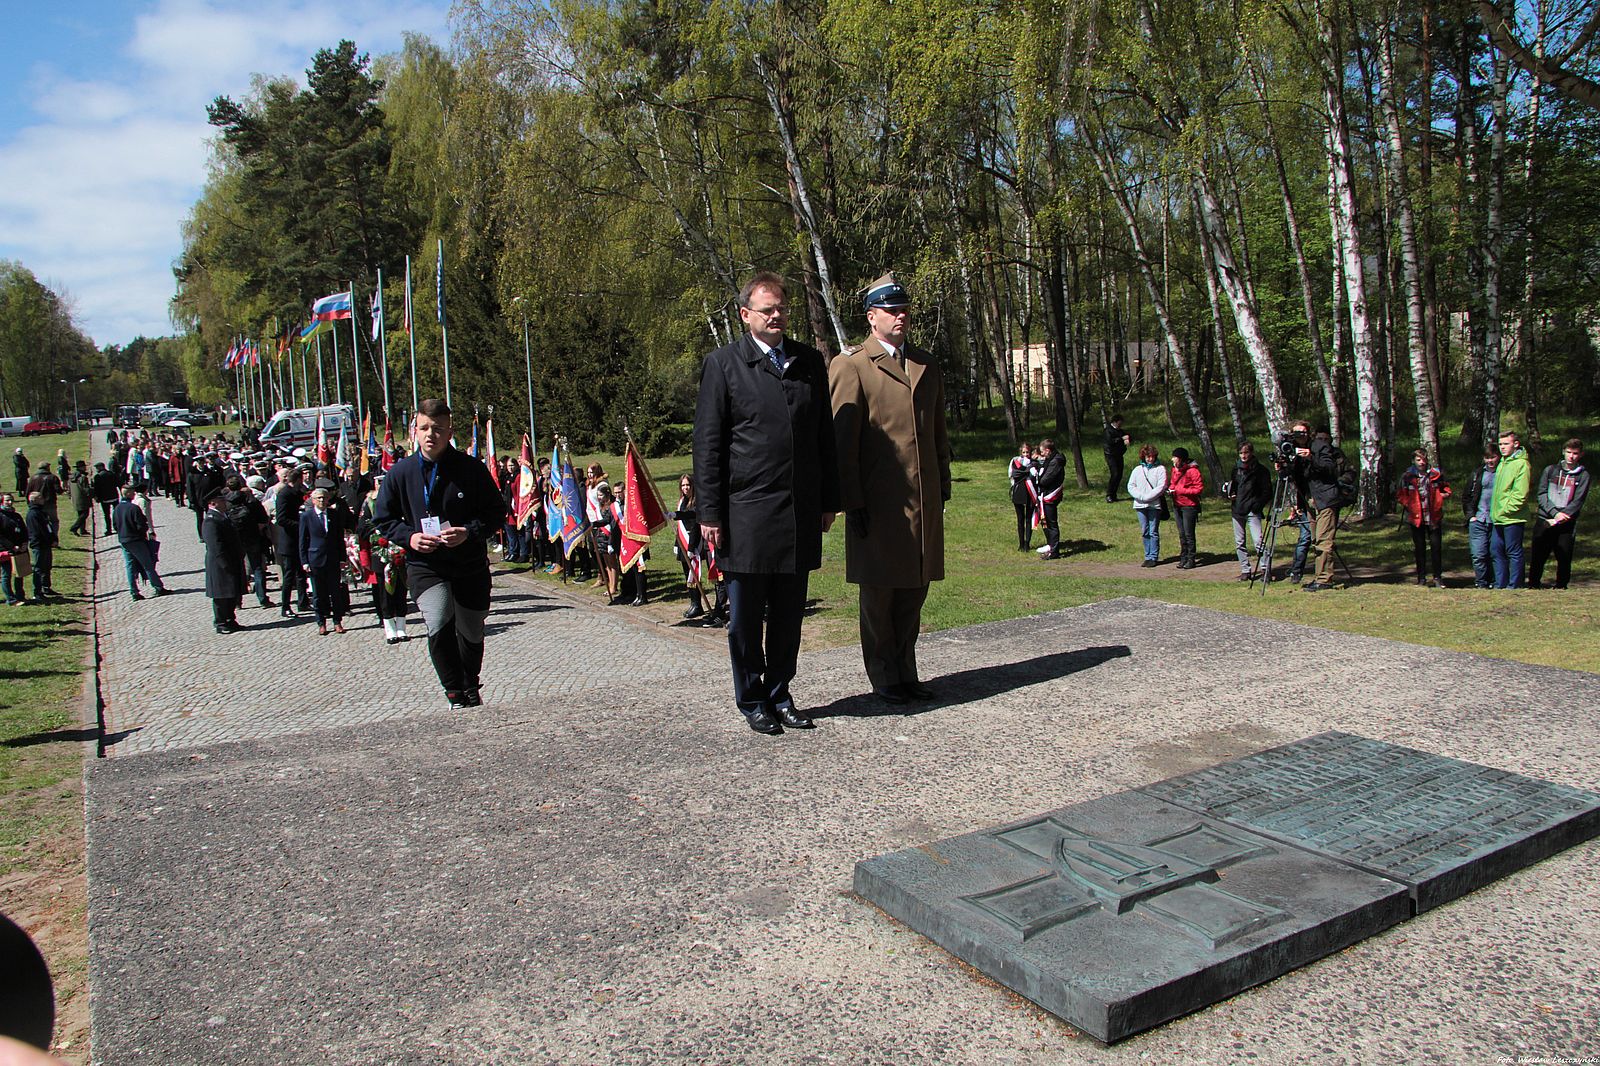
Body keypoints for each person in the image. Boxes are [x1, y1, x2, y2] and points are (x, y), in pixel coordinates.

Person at [695, 271, 840, 733]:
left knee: (788, 614)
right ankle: (752, 698)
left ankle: (780, 692)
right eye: (767, 310)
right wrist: (710, 513)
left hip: (797, 513)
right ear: (745, 315)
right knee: (745, 618)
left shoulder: (808, 361)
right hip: (747, 515)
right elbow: (709, 445)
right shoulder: (724, 365)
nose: (776, 316)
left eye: (781, 308)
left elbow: (823, 437)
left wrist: (828, 499)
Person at [830, 272, 950, 705]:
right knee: (880, 593)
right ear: (871, 316)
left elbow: (936, 433)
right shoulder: (853, 364)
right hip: (879, 503)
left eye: (904, 309)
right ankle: (884, 675)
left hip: (924, 500)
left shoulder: (924, 364)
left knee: (915, 588)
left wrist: (943, 484)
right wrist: (850, 500)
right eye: (891, 310)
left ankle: (906, 670)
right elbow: (843, 444)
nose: (901, 317)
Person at [373, 399, 507, 708]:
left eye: (437, 429)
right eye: (424, 428)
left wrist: (469, 532)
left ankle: (470, 681)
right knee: (439, 619)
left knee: (472, 629)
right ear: (414, 431)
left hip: (469, 564)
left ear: (449, 432)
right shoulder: (401, 473)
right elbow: (383, 519)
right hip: (426, 565)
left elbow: (497, 512)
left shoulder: (470, 469)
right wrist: (410, 537)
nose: (430, 434)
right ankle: (453, 690)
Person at [1528, 438, 1589, 590]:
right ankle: (1534, 584)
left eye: (1575, 453)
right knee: (1539, 554)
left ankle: (1561, 585)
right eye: (1568, 452)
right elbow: (1541, 494)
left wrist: (1564, 515)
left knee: (1564, 555)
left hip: (1566, 521)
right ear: (1563, 452)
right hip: (1545, 518)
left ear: (1580, 454)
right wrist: (1554, 513)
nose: (1571, 456)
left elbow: (1578, 500)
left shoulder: (1583, 475)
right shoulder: (1550, 470)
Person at [358, 480, 410, 644]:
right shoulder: (369, 504)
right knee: (385, 594)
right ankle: (389, 629)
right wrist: (377, 529)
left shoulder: (400, 501)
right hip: (381, 555)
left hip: (400, 555)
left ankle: (401, 627)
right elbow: (361, 528)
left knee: (401, 592)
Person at [1397, 448, 1452, 587]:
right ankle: (1421, 578)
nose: (1421, 462)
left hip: (1433, 516)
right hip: (1416, 517)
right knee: (1419, 548)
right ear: (1413, 461)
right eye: (1418, 460)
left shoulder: (1436, 474)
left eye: (1423, 459)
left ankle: (1437, 577)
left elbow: (1446, 489)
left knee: (1436, 547)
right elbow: (1400, 494)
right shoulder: (1407, 476)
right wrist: (1408, 503)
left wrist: (1442, 496)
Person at [299, 485, 349, 635]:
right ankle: (321, 622)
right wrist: (304, 561)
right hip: (315, 559)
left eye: (324, 498)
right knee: (318, 594)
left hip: (332, 558)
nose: (322, 500)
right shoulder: (306, 516)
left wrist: (342, 557)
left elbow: (340, 538)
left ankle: (337, 621)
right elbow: (302, 540)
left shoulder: (333, 514)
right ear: (313, 500)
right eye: (319, 498)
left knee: (336, 592)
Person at [1300, 429, 1343, 592]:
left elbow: (1329, 468)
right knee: (1315, 539)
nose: (1300, 436)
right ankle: (1320, 576)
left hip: (1326, 499)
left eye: (1302, 433)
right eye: (1296, 434)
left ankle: (1324, 579)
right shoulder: (1294, 449)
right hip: (1311, 499)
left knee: (1323, 540)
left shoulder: (1320, 447)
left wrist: (1311, 457)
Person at [1489, 430, 1531, 589]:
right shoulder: (1502, 463)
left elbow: (1520, 495)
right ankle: (1500, 584)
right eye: (1500, 444)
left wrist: (1505, 510)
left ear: (1516, 444)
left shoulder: (1521, 464)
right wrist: (1496, 512)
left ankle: (1515, 585)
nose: (1502, 447)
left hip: (1513, 517)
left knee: (1513, 551)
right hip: (1498, 517)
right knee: (1496, 550)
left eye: (1506, 444)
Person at [225, 474, 273, 609]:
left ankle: (237, 601)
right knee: (258, 568)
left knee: (237, 570)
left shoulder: (225, 502)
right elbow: (263, 519)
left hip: (235, 539)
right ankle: (263, 598)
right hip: (252, 538)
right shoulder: (250, 500)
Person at [200, 487, 245, 633]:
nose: (225, 503)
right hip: (220, 564)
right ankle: (220, 622)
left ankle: (230, 619)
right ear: (213, 503)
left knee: (231, 592)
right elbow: (215, 546)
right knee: (221, 595)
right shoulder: (211, 521)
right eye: (221, 501)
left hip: (231, 560)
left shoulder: (223, 516)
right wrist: (225, 564)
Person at [112, 485, 168, 600]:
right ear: (127, 494)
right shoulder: (133, 508)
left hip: (124, 541)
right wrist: (142, 534)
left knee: (130, 566)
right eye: (132, 493)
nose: (134, 495)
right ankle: (158, 587)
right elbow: (141, 525)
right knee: (147, 564)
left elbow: (115, 526)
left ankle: (134, 592)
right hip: (136, 540)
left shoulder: (117, 508)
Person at [1228, 442, 1272, 580]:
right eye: (1241, 453)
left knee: (1259, 541)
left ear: (1251, 453)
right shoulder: (1236, 469)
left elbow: (1267, 492)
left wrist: (1257, 505)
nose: (1243, 456)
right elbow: (1232, 486)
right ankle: (1245, 569)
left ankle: (1265, 568)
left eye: (1246, 453)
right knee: (1239, 542)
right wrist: (1230, 494)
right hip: (1237, 509)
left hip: (1252, 510)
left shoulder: (1261, 470)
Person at [273, 463, 310, 617]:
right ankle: (286, 606)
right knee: (289, 575)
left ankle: (303, 602)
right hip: (288, 540)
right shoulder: (284, 494)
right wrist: (301, 524)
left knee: (301, 573)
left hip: (298, 540)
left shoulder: (296, 493)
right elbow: (281, 519)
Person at [1462, 446, 1500, 589]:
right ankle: (1481, 582)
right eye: (1487, 458)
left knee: (1494, 553)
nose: (1490, 461)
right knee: (1478, 554)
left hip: (1496, 519)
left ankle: (1494, 582)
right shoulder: (1477, 474)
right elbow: (1466, 496)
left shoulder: (1503, 473)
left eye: (1493, 457)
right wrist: (1471, 516)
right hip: (1478, 519)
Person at [1127, 444, 1168, 567]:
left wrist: (1148, 497)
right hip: (1140, 505)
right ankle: (1147, 555)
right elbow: (1131, 485)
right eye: (1147, 456)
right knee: (1145, 530)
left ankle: (1153, 557)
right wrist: (1140, 496)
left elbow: (1162, 486)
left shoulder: (1160, 469)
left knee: (1153, 531)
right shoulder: (1137, 470)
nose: (1150, 459)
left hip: (1154, 504)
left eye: (1152, 456)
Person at [1169, 447, 1204, 569]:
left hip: (1189, 506)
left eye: (1175, 457)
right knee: (1181, 533)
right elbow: (1173, 483)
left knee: (1189, 534)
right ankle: (1183, 556)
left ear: (1181, 458)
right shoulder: (1175, 469)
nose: (1172, 459)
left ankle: (1191, 558)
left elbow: (1198, 489)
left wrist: (1181, 490)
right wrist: (1171, 489)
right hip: (1177, 504)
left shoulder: (1193, 471)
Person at [1034, 438, 1065, 559]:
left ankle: (1054, 550)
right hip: (1046, 493)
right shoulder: (1051, 459)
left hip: (1050, 495)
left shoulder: (1056, 461)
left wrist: (1038, 478)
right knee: (1046, 521)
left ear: (1048, 450)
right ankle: (1051, 546)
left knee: (1051, 523)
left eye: (1043, 452)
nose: (1042, 454)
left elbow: (1045, 479)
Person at [592, 481, 622, 603]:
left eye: (601, 495)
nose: (599, 498)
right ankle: (610, 584)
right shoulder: (601, 505)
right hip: (601, 537)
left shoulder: (612, 506)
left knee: (612, 563)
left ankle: (613, 586)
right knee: (607, 564)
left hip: (609, 536)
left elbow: (610, 521)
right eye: (598, 495)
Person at [24, 492, 54, 601]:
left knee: (47, 566)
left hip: (46, 544)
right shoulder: (33, 514)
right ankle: (37, 592)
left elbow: (48, 526)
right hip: (39, 545)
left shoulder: (41, 512)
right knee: (39, 568)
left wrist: (53, 538)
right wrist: (47, 539)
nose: (43, 499)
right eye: (41, 498)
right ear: (35, 500)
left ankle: (46, 587)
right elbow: (38, 531)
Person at [1008, 441, 1036, 552]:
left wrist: (1024, 472)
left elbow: (1035, 473)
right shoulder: (1015, 461)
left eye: (1027, 452)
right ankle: (1020, 543)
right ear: (1020, 452)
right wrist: (1026, 472)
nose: (1025, 454)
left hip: (1030, 492)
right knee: (1020, 519)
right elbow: (1014, 474)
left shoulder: (1034, 462)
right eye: (1023, 452)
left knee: (1029, 518)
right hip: (1018, 491)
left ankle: (1027, 543)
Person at [25, 463, 61, 548]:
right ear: (47, 467)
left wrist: (30, 503)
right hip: (50, 503)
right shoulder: (52, 477)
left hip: (36, 504)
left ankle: (44, 539)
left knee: (40, 523)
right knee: (54, 522)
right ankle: (53, 539)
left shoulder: (33, 478)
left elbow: (28, 492)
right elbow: (58, 490)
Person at [0, 493, 28, 604]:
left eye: (11, 500)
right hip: (6, 550)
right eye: (7, 500)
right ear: (2, 501)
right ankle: (10, 599)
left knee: (19, 573)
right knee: (6, 574)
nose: (10, 502)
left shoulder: (16, 515)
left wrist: (25, 543)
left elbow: (24, 530)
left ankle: (20, 596)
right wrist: (12, 547)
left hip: (19, 549)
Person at [1104, 415, 1131, 502]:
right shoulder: (1108, 430)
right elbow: (1110, 441)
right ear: (1115, 421)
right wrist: (1121, 439)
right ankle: (1109, 494)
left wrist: (1127, 440)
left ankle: (1114, 494)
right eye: (1120, 422)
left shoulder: (1120, 431)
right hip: (1110, 455)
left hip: (1119, 455)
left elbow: (1126, 437)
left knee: (1119, 475)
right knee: (1114, 474)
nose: (1121, 424)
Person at [92, 461, 119, 532]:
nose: (97, 469)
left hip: (104, 498)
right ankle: (117, 527)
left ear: (101, 467)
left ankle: (109, 529)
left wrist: (96, 497)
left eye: (97, 468)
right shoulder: (111, 474)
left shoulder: (98, 476)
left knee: (107, 515)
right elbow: (117, 483)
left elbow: (96, 488)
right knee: (116, 512)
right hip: (114, 496)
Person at [67, 461, 92, 537]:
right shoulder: (83, 477)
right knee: (85, 514)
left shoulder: (72, 477)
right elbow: (86, 489)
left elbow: (69, 488)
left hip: (75, 498)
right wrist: (92, 493)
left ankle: (82, 530)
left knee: (80, 514)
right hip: (82, 498)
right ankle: (74, 528)